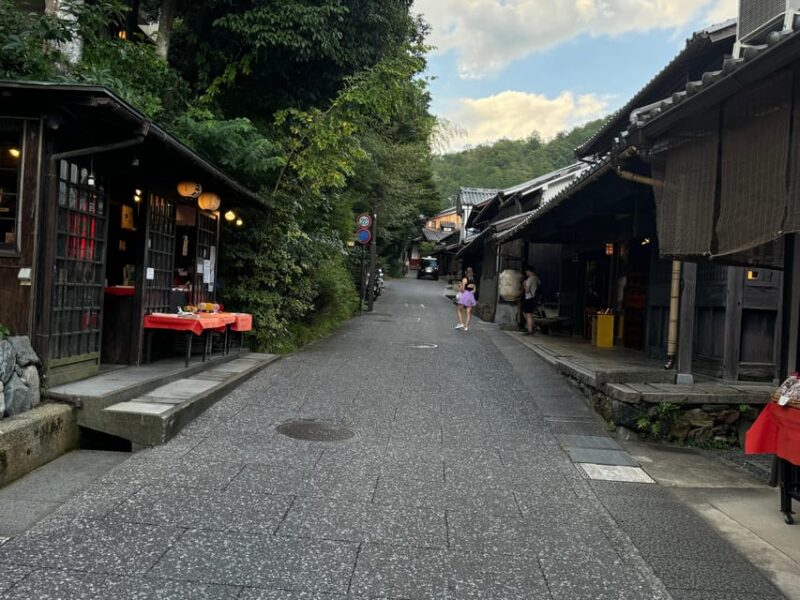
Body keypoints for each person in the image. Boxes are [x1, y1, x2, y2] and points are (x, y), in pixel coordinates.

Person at [455, 267, 477, 331]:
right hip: (471, 296)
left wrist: (460, 286)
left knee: (459, 310)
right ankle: (466, 327)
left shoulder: (465, 279)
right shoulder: (473, 280)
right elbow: (474, 290)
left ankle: (461, 323)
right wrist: (470, 292)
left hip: (464, 295)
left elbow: (462, 290)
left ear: (465, 272)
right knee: (468, 312)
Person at [522, 267, 541, 335]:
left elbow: (527, 290)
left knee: (528, 314)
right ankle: (534, 326)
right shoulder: (536, 278)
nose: (526, 273)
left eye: (527, 272)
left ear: (529, 271)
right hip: (535, 298)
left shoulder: (529, 279)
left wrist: (524, 284)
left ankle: (530, 330)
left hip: (529, 298)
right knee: (526, 313)